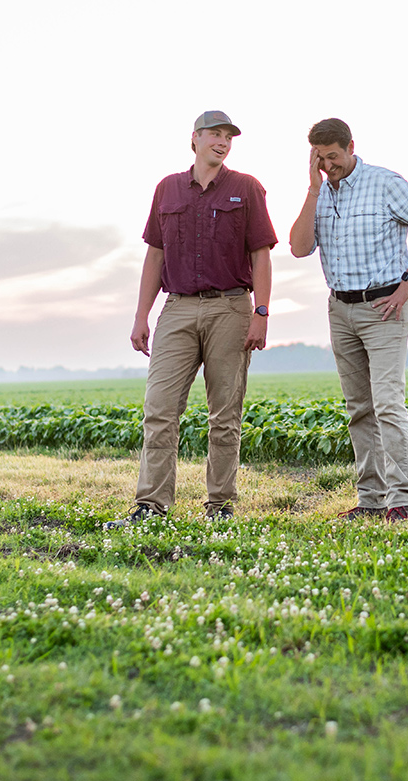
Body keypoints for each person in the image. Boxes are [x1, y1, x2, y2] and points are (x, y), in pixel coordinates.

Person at [106, 111, 277, 528]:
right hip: (177, 308)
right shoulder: (167, 189)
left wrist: (261, 312)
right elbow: (155, 254)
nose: (222, 142)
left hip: (231, 307)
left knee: (224, 413)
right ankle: (150, 507)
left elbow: (261, 254)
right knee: (159, 408)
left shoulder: (247, 188)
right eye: (214, 135)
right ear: (195, 139)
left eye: (228, 137)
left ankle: (220, 506)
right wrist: (141, 315)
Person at [290, 117, 408, 522]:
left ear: (350, 147)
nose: (328, 166)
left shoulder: (384, 183)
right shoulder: (320, 193)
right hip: (340, 310)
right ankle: (371, 499)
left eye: (334, 157)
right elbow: (299, 247)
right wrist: (312, 189)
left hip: (384, 309)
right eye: (320, 159)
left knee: (388, 404)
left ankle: (402, 499)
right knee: (359, 407)